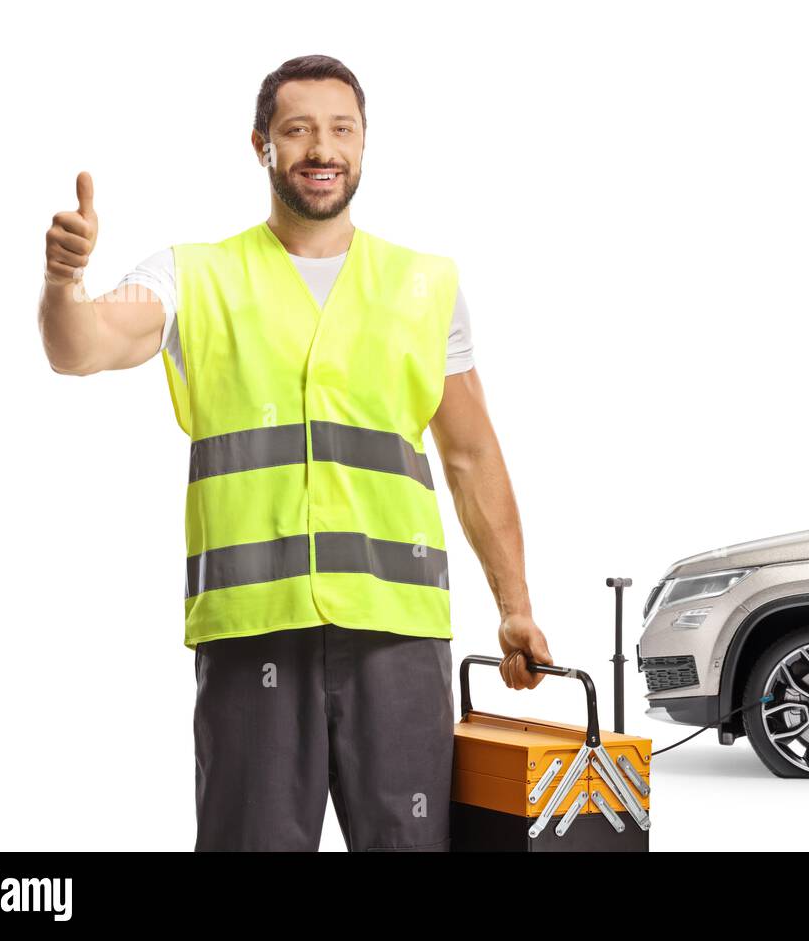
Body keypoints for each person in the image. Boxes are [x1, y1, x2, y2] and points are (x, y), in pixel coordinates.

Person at [37, 53, 553, 851]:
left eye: (341, 129)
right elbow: (81, 348)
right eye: (299, 129)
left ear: (364, 144)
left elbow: (472, 456)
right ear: (261, 145)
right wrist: (63, 284)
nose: (322, 148)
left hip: (399, 630)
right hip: (255, 631)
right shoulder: (190, 276)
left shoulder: (426, 285)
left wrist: (515, 606)